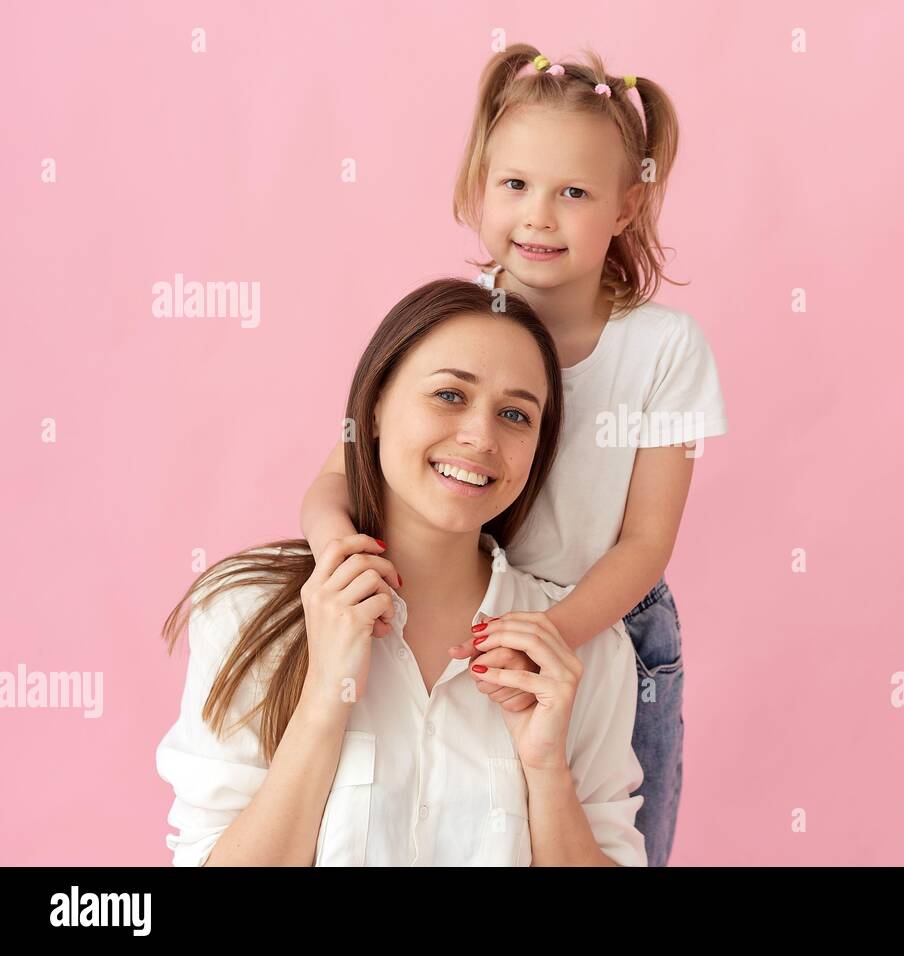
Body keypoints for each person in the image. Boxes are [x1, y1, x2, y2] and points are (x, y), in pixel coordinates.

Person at [300, 43, 728, 867]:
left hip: (600, 627)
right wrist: (335, 557)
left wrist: (549, 637)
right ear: (478, 187)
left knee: (610, 834)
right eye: (516, 186)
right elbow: (334, 478)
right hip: (453, 603)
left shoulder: (664, 348)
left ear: (627, 206)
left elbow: (647, 542)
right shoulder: (455, 328)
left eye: (573, 193)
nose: (537, 217)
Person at [156, 278, 647, 866]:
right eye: (448, 395)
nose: (480, 436)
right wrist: (323, 697)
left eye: (515, 414)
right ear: (377, 406)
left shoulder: (588, 655)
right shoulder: (244, 610)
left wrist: (546, 770)